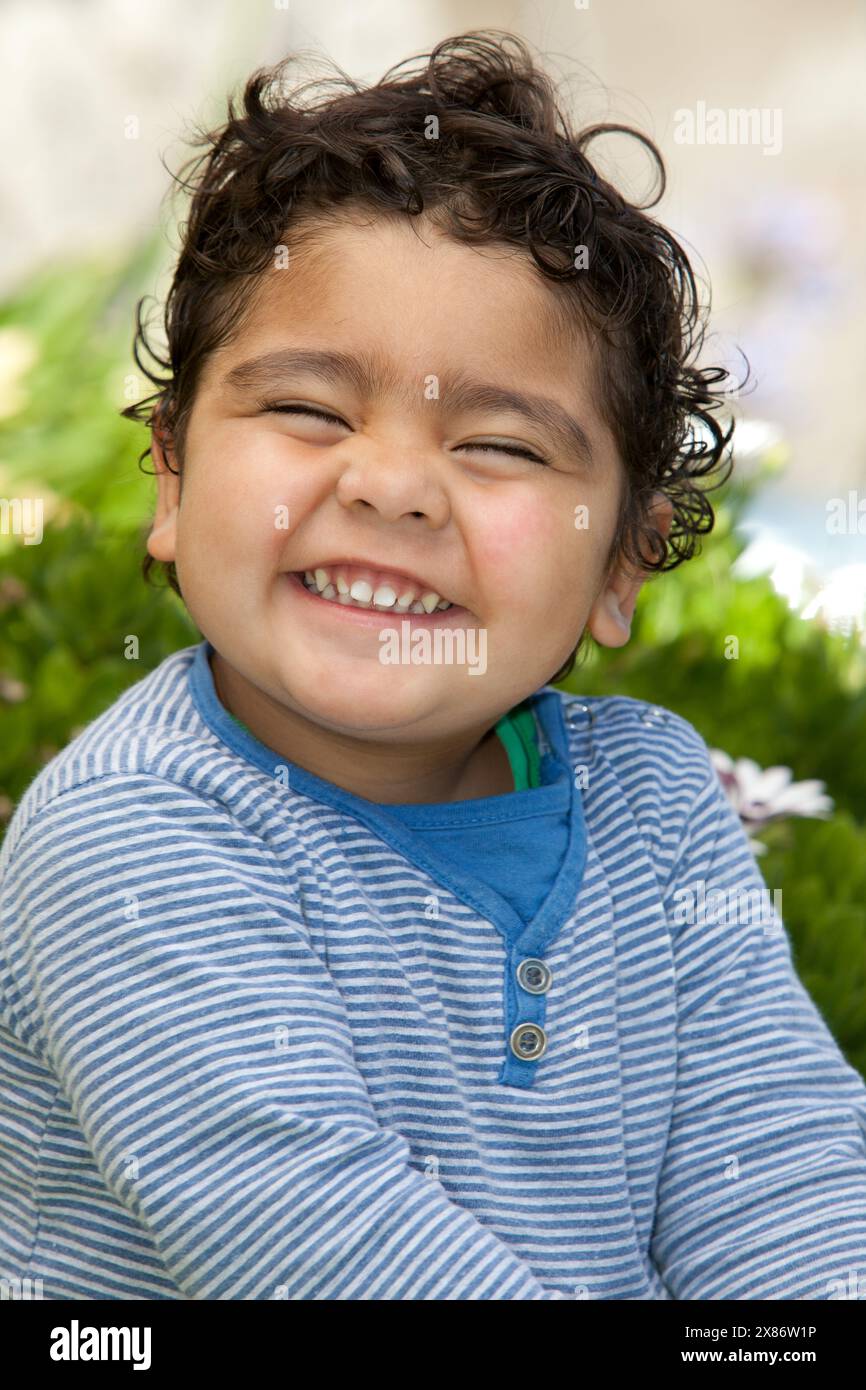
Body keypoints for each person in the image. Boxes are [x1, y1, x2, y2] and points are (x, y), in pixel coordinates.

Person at [2, 31, 864, 1301]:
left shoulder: (657, 806)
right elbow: (323, 1253)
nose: (394, 486)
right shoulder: (137, 835)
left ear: (622, 559)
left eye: (502, 446)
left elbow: (784, 1185)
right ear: (172, 476)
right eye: (307, 409)